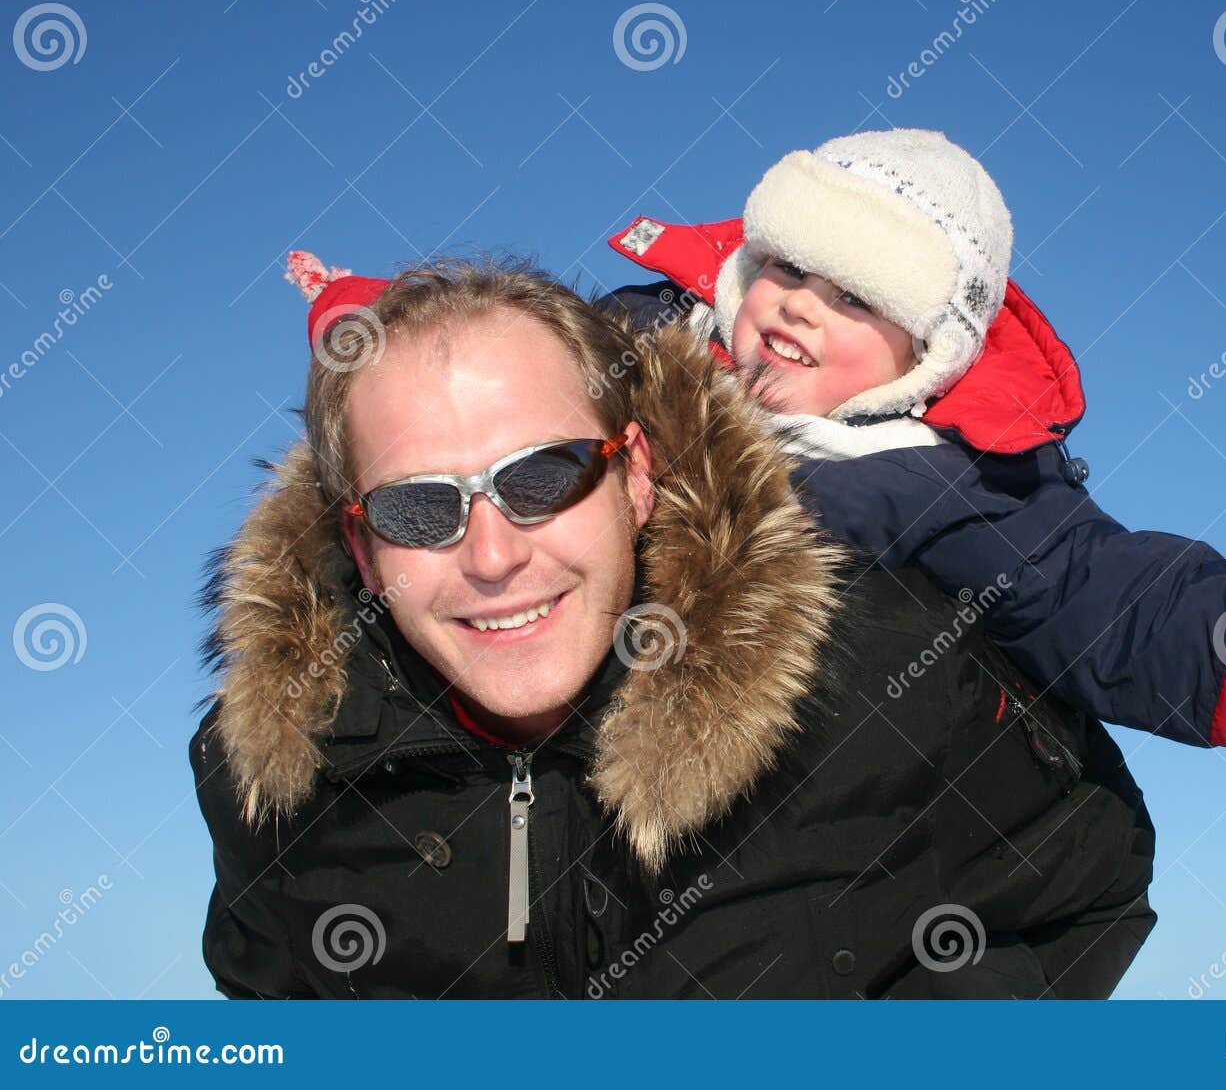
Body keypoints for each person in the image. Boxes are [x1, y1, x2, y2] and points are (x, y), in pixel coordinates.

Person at [189, 252, 1156, 999]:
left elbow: (1082, 881)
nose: (491, 556)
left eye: (542, 477)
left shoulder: (889, 671)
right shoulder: (276, 778)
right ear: (361, 548)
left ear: (636, 474)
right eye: (416, 508)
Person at [605, 127, 1226, 755]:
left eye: (854, 297)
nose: (800, 302)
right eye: (788, 268)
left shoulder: (949, 482)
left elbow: (1119, 602)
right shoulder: (635, 345)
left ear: (925, 355)